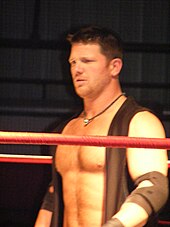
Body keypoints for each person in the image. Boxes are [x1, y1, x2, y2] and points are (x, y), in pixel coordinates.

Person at [34, 25, 169, 227]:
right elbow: (53, 197)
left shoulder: (139, 122)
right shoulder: (66, 130)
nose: (77, 69)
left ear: (114, 66)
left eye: (87, 61)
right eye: (73, 62)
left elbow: (153, 187)